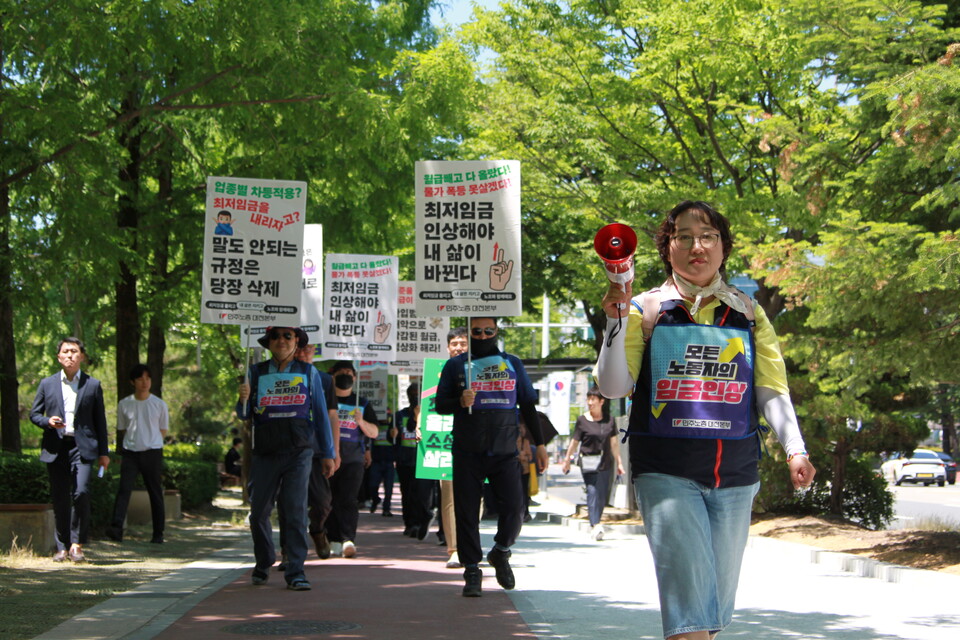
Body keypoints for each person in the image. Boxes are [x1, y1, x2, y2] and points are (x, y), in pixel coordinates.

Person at [595, 200, 816, 640]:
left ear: (722, 247)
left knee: (710, 610)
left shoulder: (748, 313)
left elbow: (770, 388)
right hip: (667, 471)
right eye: (684, 236)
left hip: (735, 473)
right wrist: (617, 321)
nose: (697, 246)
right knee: (689, 612)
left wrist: (795, 448)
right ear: (667, 248)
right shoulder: (645, 309)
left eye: (709, 236)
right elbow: (614, 386)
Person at [435, 317, 549, 597]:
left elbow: (529, 405)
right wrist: (459, 401)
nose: (483, 335)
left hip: (505, 450)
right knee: (466, 513)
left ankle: (501, 551)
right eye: (477, 331)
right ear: (469, 331)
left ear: (497, 331)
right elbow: (440, 405)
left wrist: (541, 444)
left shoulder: (513, 363)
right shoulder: (455, 366)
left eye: (489, 330)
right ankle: (472, 569)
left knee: (515, 509)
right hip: (467, 450)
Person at [236, 326, 335, 591]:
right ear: (268, 342)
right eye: (276, 336)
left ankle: (296, 571)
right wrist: (242, 399)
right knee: (258, 512)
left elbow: (322, 416)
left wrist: (328, 453)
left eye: (287, 336)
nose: (281, 340)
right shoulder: (255, 372)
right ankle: (264, 561)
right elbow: (245, 414)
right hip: (265, 453)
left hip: (299, 452)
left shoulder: (308, 373)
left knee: (294, 511)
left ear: (296, 343)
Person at [29, 337, 110, 563]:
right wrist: (47, 422)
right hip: (56, 446)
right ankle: (62, 546)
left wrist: (104, 453)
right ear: (58, 357)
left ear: (82, 356)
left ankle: (77, 544)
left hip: (82, 447)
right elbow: (34, 414)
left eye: (74, 352)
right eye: (65, 352)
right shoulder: (47, 383)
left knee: (81, 492)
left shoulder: (92, 385)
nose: (70, 356)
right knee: (60, 497)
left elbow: (100, 422)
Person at [275, 343, 341, 569]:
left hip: (316, 450)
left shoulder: (324, 379)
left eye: (308, 349)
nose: (303, 353)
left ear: (315, 351)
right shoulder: (279, 376)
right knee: (288, 503)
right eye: (299, 349)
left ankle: (317, 529)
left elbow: (332, 416)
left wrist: (334, 451)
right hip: (287, 448)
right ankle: (287, 551)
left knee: (323, 502)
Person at [106, 364, 169, 544]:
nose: (144, 382)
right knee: (124, 490)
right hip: (130, 453)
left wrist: (151, 441)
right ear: (132, 382)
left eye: (147, 379)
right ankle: (116, 528)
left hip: (152, 452)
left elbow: (163, 430)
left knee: (155, 492)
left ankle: (158, 533)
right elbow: (123, 428)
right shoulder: (124, 404)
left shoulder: (159, 404)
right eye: (140, 379)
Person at [325, 360, 379, 558]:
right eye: (341, 372)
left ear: (355, 378)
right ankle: (333, 538)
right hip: (327, 458)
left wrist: (360, 421)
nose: (346, 375)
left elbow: (374, 432)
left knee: (348, 499)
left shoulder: (362, 403)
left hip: (353, 459)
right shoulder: (324, 401)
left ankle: (348, 538)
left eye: (349, 372)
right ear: (333, 376)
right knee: (328, 499)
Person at [560, 387, 624, 541]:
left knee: (602, 495)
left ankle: (596, 522)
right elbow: (575, 441)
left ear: (601, 402)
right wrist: (567, 459)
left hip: (604, 462)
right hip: (587, 461)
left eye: (593, 400)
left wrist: (619, 463)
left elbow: (614, 444)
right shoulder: (582, 420)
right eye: (588, 399)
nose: (590, 403)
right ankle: (595, 524)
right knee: (592, 490)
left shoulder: (609, 420)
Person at [436, 326, 467, 567]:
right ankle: (454, 548)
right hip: (442, 443)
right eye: (454, 343)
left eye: (463, 343)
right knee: (449, 495)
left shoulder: (480, 370)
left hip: (475, 442)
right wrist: (418, 425)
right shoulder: (436, 372)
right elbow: (429, 406)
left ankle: (469, 543)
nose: (458, 347)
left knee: (474, 497)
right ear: (447, 347)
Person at [395, 383, 435, 540]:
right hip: (405, 459)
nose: (414, 396)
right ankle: (409, 523)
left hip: (423, 458)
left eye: (417, 393)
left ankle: (422, 519)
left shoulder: (429, 412)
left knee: (422, 493)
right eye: (412, 393)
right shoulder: (400, 415)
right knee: (407, 493)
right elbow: (405, 432)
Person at [367, 406, 398, 517]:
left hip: (389, 462)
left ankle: (386, 509)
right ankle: (375, 499)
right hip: (376, 461)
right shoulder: (375, 427)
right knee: (372, 485)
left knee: (388, 488)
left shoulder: (392, 428)